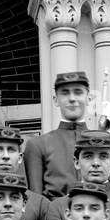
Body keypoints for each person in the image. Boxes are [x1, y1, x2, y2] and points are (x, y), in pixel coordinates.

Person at [23, 71, 90, 200]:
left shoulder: (104, 141)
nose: (72, 98)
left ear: (88, 98)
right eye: (65, 93)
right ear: (55, 100)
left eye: (78, 92)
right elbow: (36, 201)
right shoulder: (38, 145)